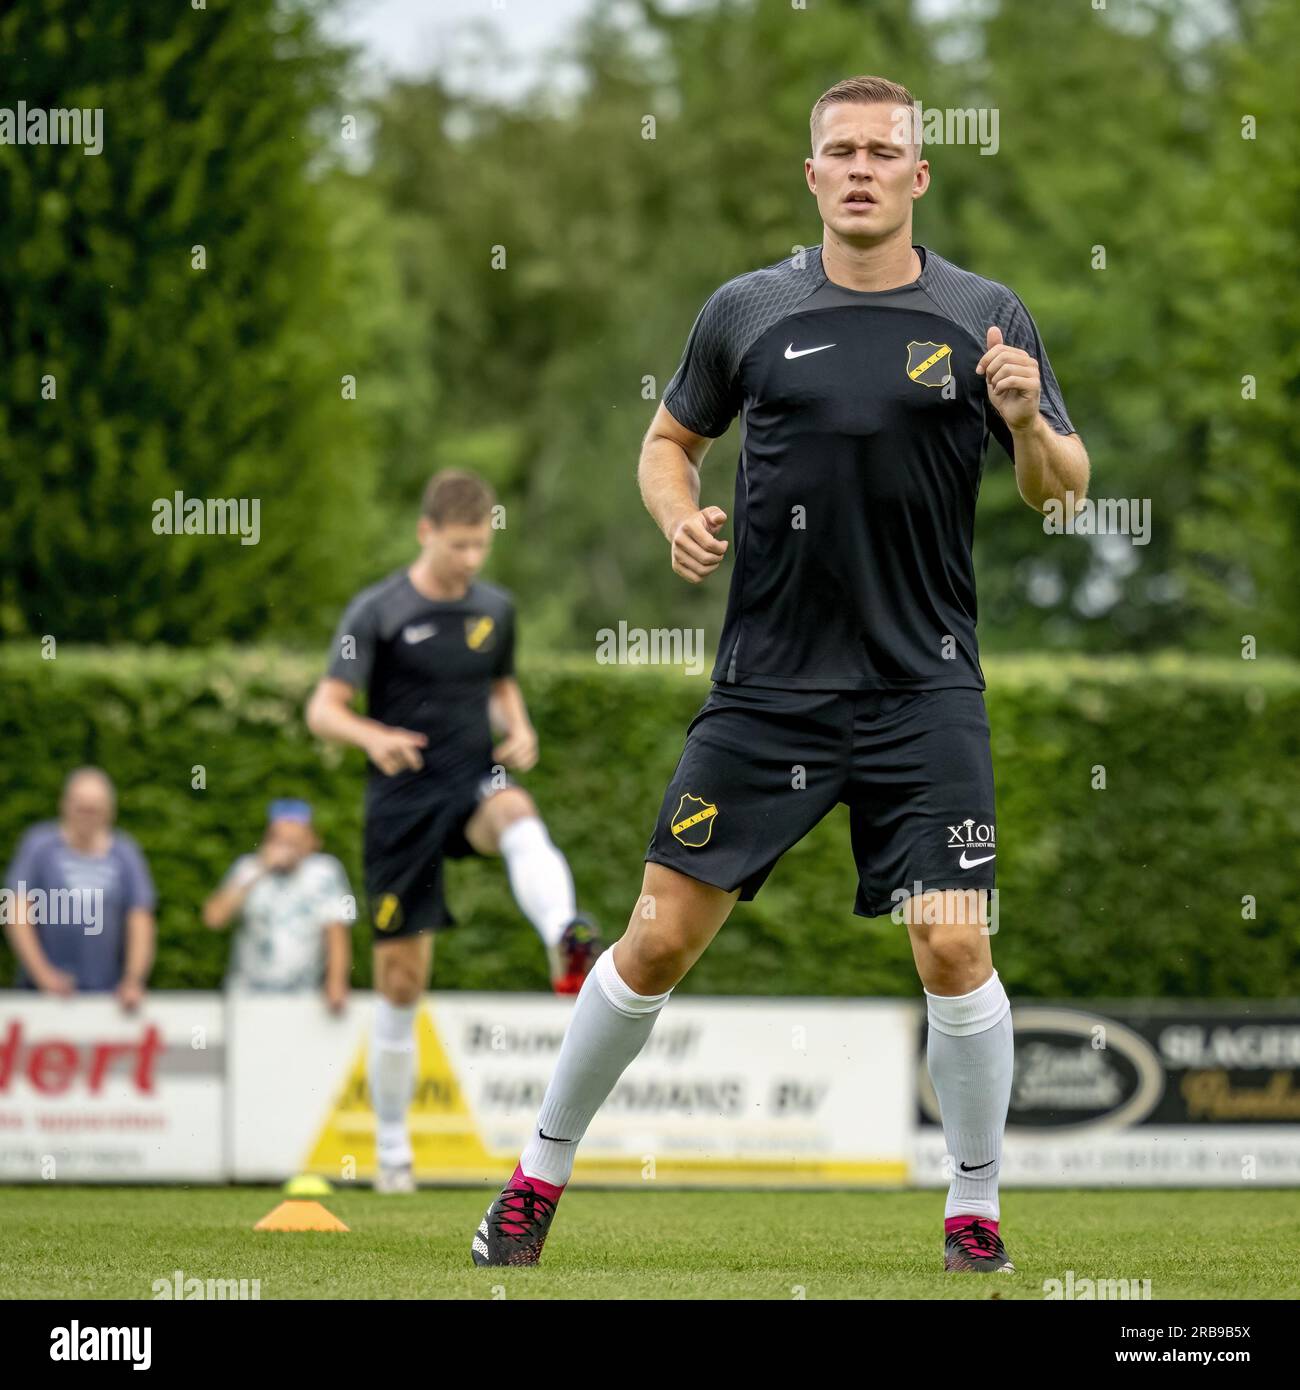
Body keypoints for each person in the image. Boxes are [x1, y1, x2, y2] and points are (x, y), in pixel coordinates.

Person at [472, 74, 1090, 1272]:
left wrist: (1023, 418)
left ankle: (975, 1208)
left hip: (925, 691)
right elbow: (668, 442)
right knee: (653, 939)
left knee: (954, 947)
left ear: (919, 175)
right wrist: (674, 515)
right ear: (811, 175)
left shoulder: (985, 314)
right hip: (768, 692)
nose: (861, 167)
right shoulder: (747, 311)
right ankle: (534, 1180)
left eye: (883, 151)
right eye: (840, 150)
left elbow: (1061, 491)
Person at [305, 468, 600, 1193]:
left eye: (482, 546)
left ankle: (567, 939)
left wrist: (520, 728)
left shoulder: (496, 611)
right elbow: (323, 709)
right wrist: (371, 737)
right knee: (402, 982)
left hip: (473, 783)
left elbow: (500, 686)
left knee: (518, 811)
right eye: (460, 545)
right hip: (401, 804)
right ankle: (393, 1154)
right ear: (426, 533)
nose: (472, 560)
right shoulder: (374, 612)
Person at [3, 767, 156, 1009]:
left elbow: (140, 919)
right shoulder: (38, 846)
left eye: (94, 809)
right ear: (64, 804)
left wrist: (133, 980)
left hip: (105, 1000)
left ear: (110, 811)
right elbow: (15, 909)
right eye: (81, 807)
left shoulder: (125, 853)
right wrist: (43, 975)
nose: (87, 815)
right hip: (39, 997)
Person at [202, 799, 352, 1010]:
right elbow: (214, 918)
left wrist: (336, 983)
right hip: (247, 998)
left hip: (306, 997)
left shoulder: (325, 872)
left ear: (312, 841)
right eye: (279, 839)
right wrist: (260, 868)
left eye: (294, 841)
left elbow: (336, 929)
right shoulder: (247, 869)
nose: (286, 848)